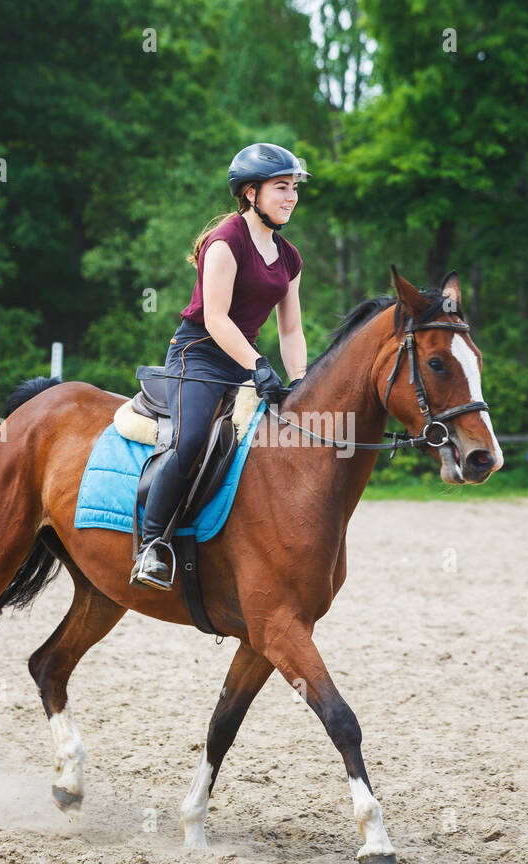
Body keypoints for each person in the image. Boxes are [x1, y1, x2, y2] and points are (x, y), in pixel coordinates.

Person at [130, 143, 310, 590]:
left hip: (245, 360)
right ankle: (152, 546)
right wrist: (258, 365)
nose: (291, 197)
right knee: (190, 442)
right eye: (281, 188)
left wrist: (301, 380)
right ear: (250, 194)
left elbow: (290, 331)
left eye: (294, 189)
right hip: (199, 354)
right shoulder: (225, 242)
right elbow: (215, 318)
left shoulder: (290, 257)